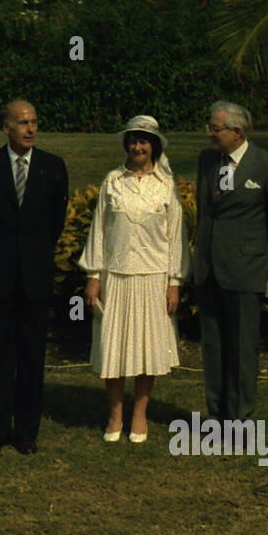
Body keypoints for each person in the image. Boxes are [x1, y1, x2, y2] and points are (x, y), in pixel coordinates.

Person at [0, 100, 69, 454]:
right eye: (23, 123)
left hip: (36, 277)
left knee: (32, 355)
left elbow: (55, 222)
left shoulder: (53, 167)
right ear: (6, 128)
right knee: (1, 354)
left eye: (34, 122)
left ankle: (26, 431)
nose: (30, 129)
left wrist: (33, 255)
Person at [79, 115, 185, 443]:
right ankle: (115, 413)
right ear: (127, 144)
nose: (138, 147)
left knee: (146, 349)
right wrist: (94, 275)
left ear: (154, 146)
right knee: (115, 348)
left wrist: (174, 281)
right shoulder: (113, 181)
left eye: (145, 141)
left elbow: (175, 237)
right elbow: (99, 229)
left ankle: (139, 413)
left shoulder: (166, 185)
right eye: (133, 141)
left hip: (153, 278)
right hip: (116, 276)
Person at [193, 101, 268, 421]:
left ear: (237, 132)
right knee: (214, 351)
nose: (209, 134)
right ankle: (217, 418)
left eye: (215, 129)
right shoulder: (207, 160)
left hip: (246, 273)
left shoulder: (267, 165)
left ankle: (240, 421)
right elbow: (207, 215)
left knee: (242, 353)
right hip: (209, 272)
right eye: (209, 127)